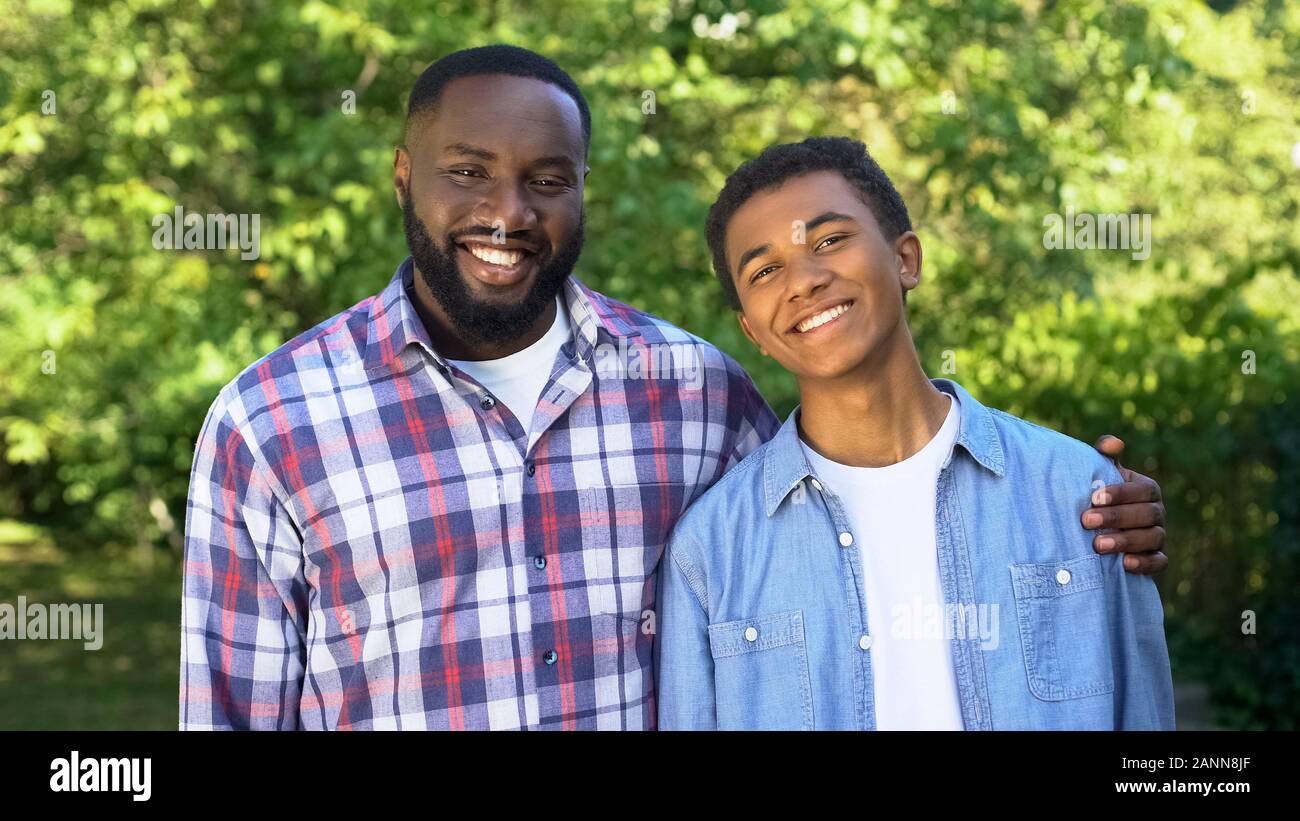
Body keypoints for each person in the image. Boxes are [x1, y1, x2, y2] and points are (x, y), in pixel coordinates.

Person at [181, 46, 1169, 730]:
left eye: (546, 178)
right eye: (468, 172)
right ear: (404, 176)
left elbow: (859, 477)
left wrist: (1101, 505)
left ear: (580, 193)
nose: (506, 211)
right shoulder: (270, 422)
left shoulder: (694, 391)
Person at [656, 137, 1176, 730]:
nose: (802, 281)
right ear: (752, 329)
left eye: (829, 240)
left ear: (906, 259)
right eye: (766, 270)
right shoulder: (711, 548)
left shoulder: (1081, 492)